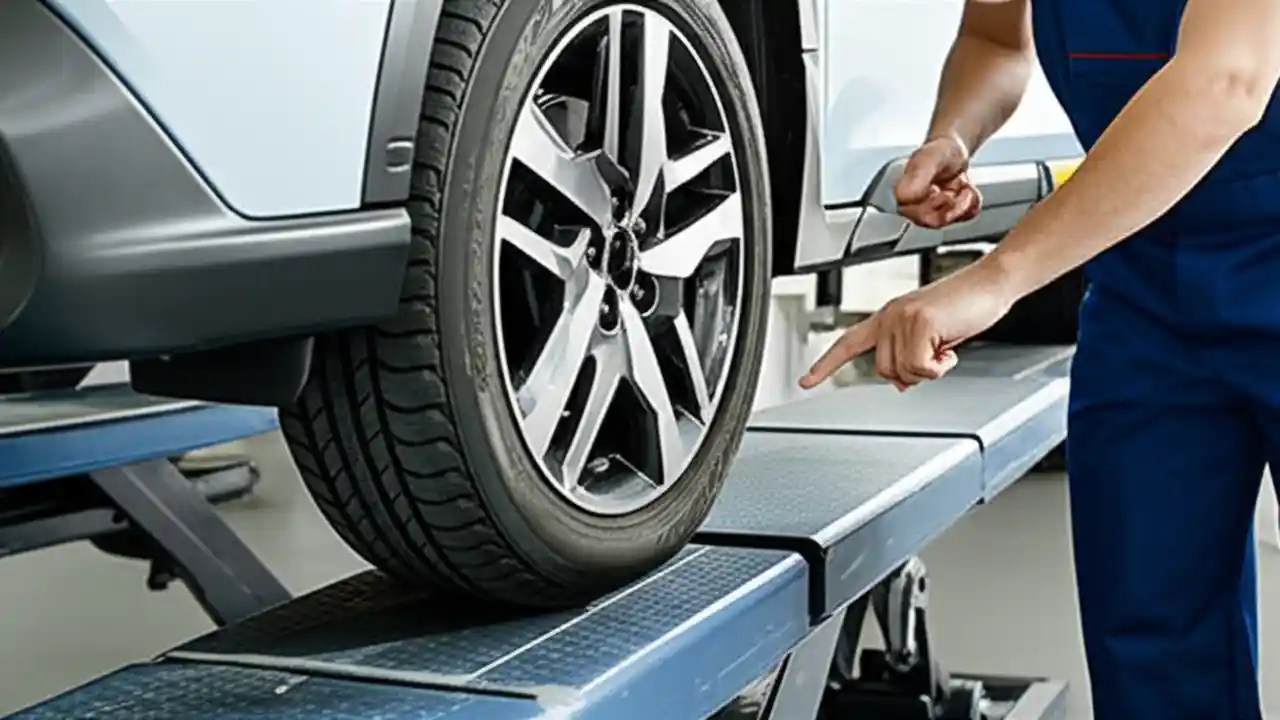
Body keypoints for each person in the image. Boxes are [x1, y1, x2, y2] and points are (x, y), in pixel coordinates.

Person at [797, 0, 1280, 717]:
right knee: (1153, 649)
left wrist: (997, 280)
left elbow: (1228, 78)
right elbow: (994, 38)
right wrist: (952, 135)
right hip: (1143, 290)